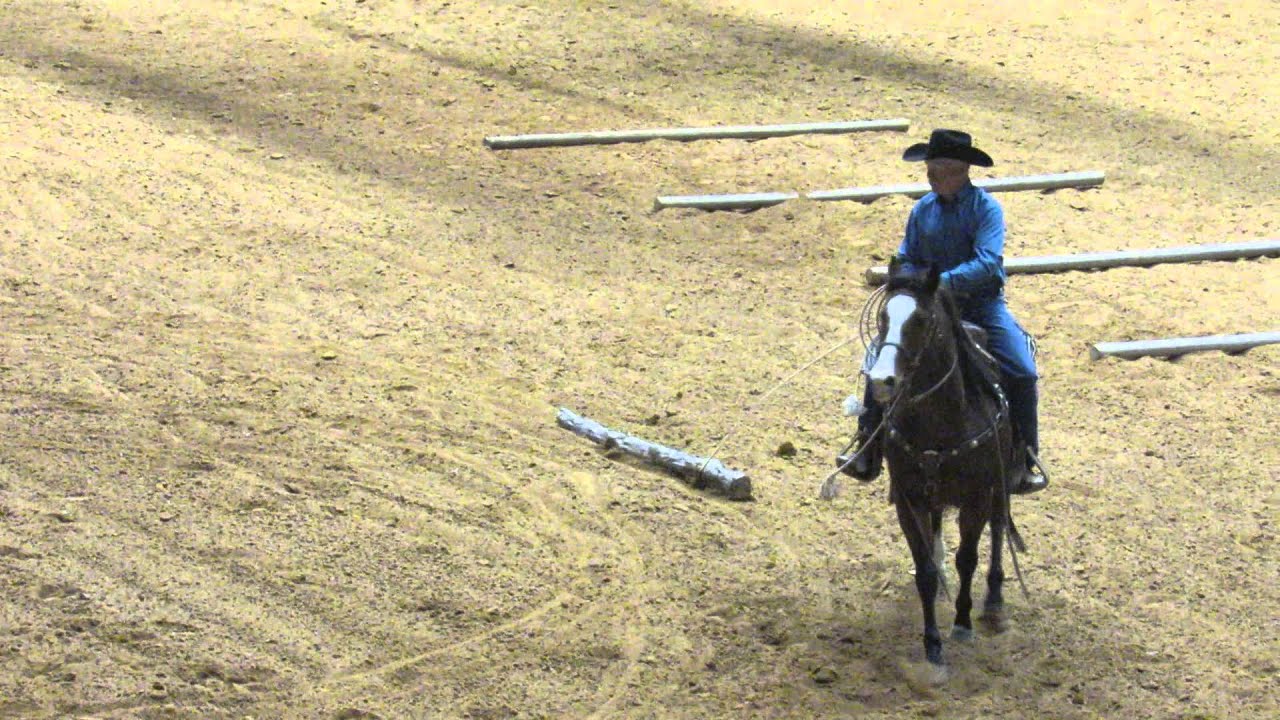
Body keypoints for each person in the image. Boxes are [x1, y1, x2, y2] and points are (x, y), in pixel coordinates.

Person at [841, 128, 1047, 495]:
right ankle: (867, 446)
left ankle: (1026, 456)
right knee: (880, 358)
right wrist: (904, 276)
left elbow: (987, 263)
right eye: (930, 170)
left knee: (1022, 369)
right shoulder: (922, 210)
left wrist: (939, 282)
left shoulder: (986, 209)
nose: (934, 177)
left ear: (962, 170)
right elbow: (907, 254)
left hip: (980, 306)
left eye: (941, 170)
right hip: (927, 304)